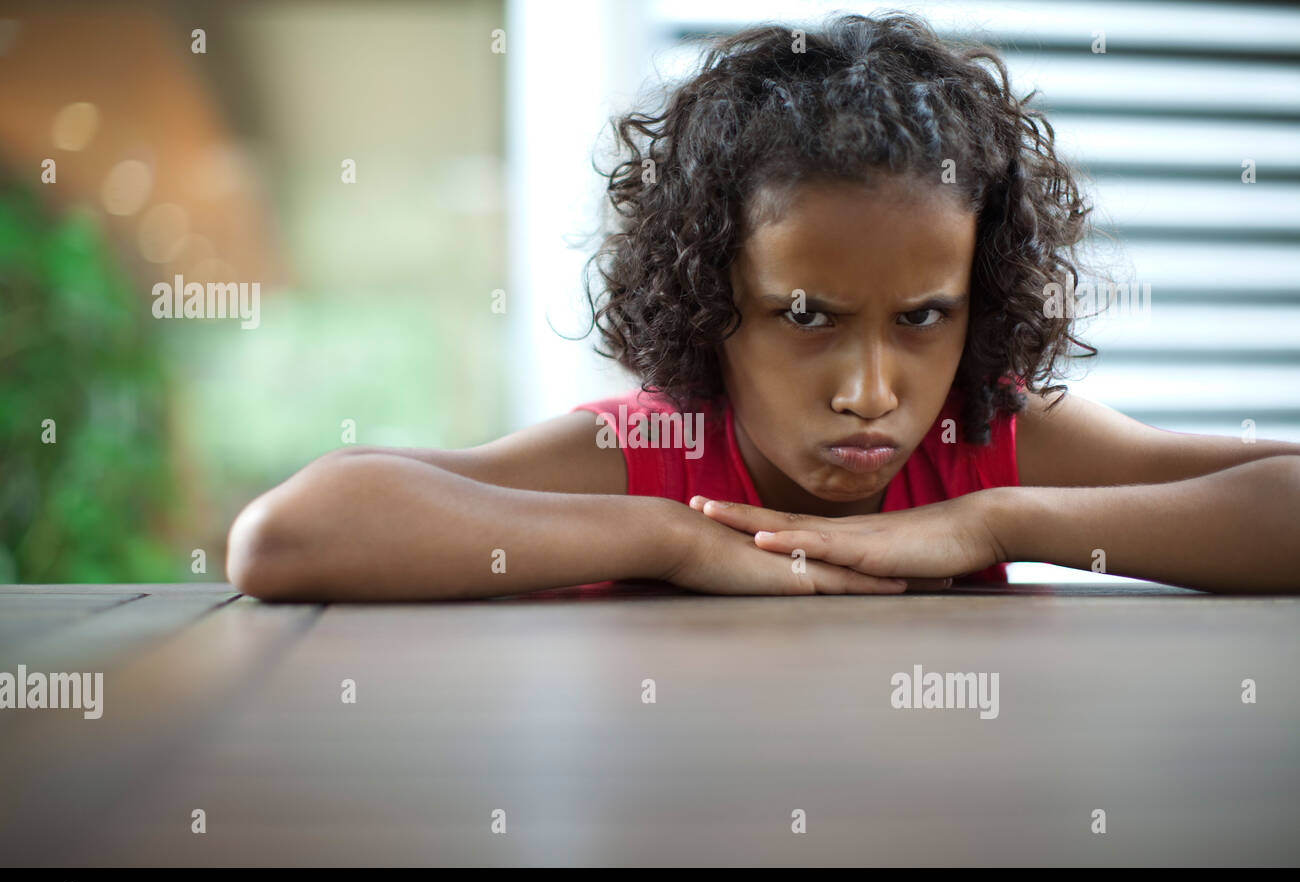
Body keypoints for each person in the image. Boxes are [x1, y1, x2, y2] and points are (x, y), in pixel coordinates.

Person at [226, 13, 1300, 601]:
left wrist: (995, 518)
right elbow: (287, 536)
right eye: (806, 316)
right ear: (709, 305)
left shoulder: (986, 444)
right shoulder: (657, 452)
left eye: (924, 316)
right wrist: (670, 542)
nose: (871, 392)